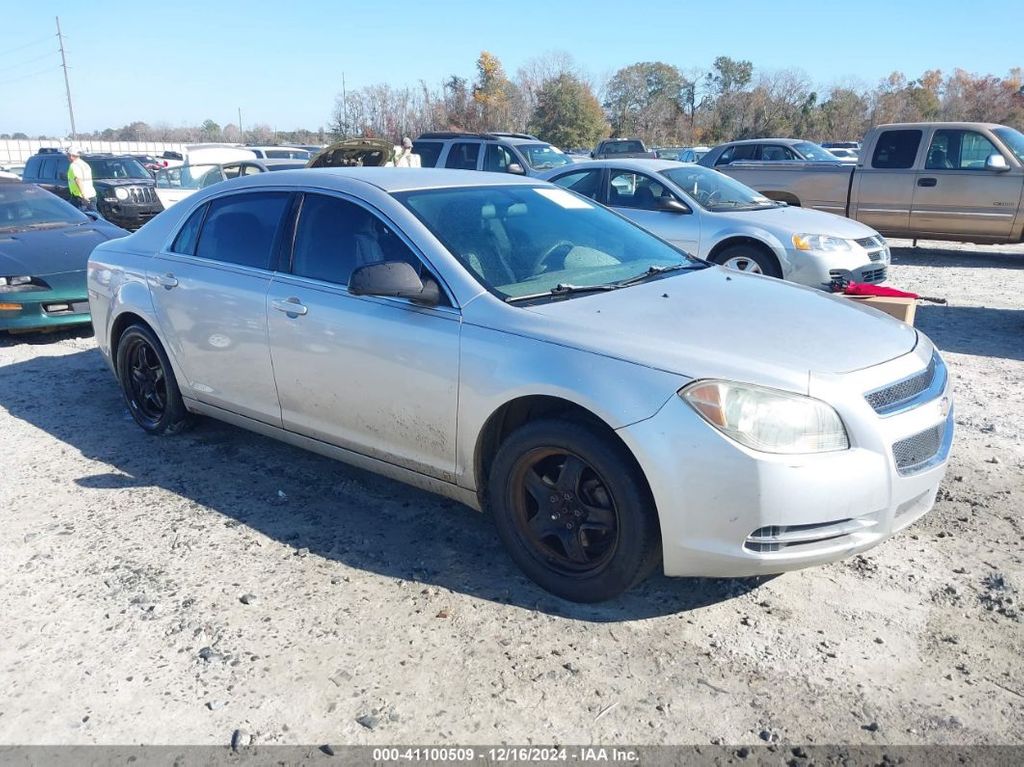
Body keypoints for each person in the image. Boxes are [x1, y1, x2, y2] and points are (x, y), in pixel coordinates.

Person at [66, 147, 98, 213]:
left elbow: (78, 180)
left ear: (71, 155)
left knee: (84, 217)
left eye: (68, 155)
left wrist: (84, 196)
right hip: (90, 194)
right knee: (93, 215)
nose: (67, 157)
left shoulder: (74, 165)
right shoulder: (84, 164)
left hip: (81, 197)